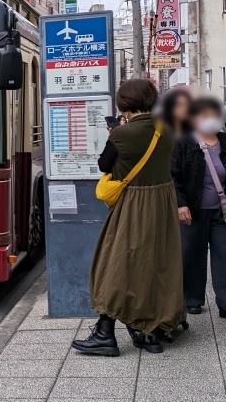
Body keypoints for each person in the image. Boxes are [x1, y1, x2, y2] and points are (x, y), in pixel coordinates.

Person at [72, 79, 184, 356]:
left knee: (114, 265)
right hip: (162, 203)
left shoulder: (122, 134)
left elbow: (104, 164)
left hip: (134, 205)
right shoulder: (167, 128)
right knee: (155, 265)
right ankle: (150, 332)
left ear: (123, 103)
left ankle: (105, 334)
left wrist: (115, 134)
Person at [171, 96, 226, 318]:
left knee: (223, 253)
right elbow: (173, 176)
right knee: (192, 252)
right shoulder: (183, 142)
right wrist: (180, 204)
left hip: (221, 211)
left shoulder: (224, 140)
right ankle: (192, 299)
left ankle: (224, 302)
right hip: (193, 209)